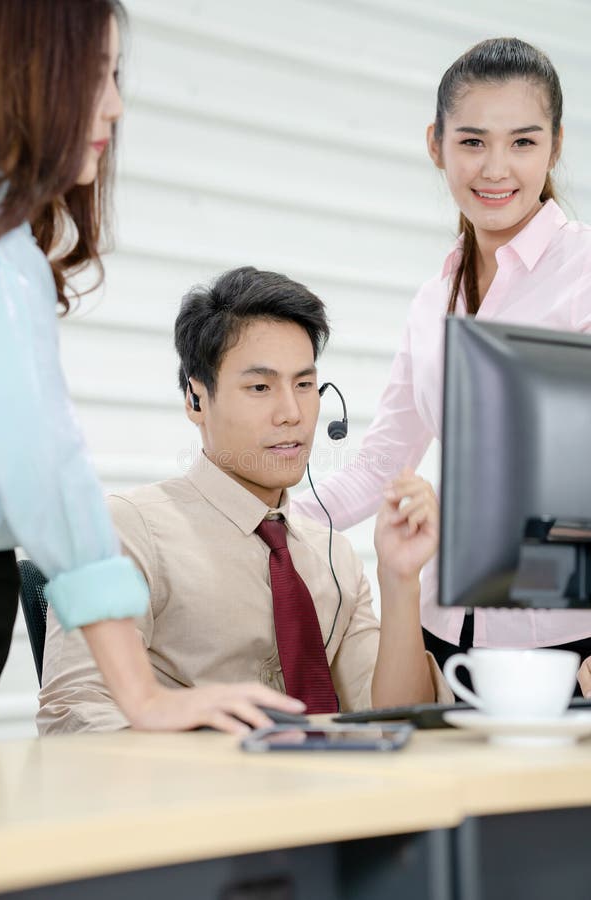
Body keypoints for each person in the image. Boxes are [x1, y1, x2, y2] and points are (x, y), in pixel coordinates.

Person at [0, 0, 302, 731]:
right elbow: (46, 470)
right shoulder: (4, 260)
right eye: (95, 76)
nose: (116, 106)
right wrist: (145, 694)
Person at [293, 37, 591, 694]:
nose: (496, 169)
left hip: (569, 641)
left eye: (523, 142)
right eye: (473, 141)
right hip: (445, 638)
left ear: (556, 146)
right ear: (436, 144)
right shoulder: (435, 300)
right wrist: (270, 522)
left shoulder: (585, 276)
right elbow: (379, 470)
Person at [37, 267, 452, 734]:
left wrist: (400, 582)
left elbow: (396, 719)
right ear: (197, 399)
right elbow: (74, 716)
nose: (291, 414)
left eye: (304, 384)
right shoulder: (127, 531)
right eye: (260, 387)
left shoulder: (333, 556)